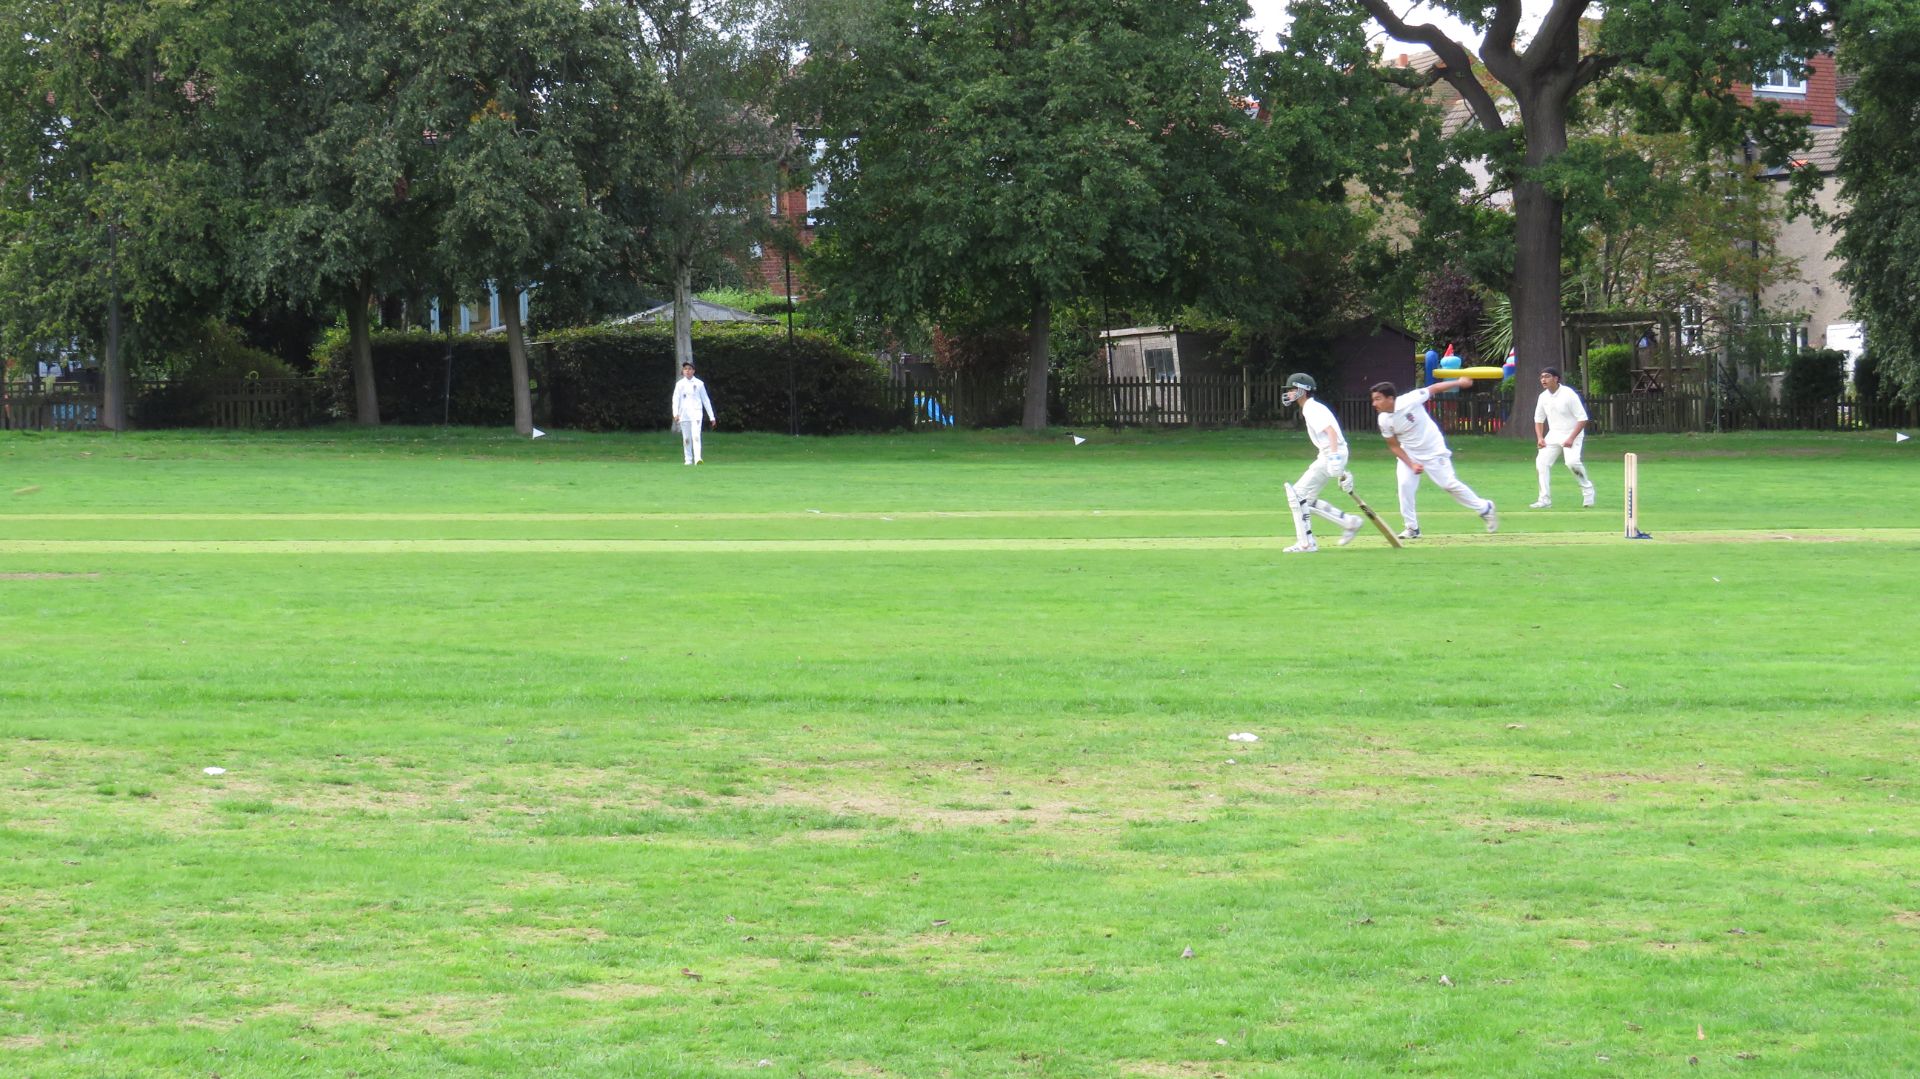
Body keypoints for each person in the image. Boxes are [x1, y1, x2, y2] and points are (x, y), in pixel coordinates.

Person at [1370, 377, 1498, 539]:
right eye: (1373, 399)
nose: (1374, 403)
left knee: (1448, 484)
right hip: (1409, 453)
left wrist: (1458, 382)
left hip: (1433, 450)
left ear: (1390, 398)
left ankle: (1485, 508)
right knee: (1404, 486)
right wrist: (1411, 464)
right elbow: (1394, 446)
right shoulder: (1383, 419)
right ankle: (1412, 528)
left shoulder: (1410, 399)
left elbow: (1435, 388)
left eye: (1378, 399)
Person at [1277, 373, 1364, 553]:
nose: (1289, 393)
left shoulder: (1312, 408)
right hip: (1330, 453)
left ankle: (1306, 543)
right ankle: (1349, 522)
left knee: (1297, 494)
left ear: (1303, 390)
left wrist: (1334, 458)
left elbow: (1331, 432)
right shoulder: (1311, 407)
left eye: (1292, 389)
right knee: (1306, 501)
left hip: (1331, 453)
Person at [1531, 366, 1595, 508]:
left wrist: (1571, 438)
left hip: (1572, 433)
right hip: (1554, 434)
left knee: (1572, 462)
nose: (1543, 380)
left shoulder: (1568, 394)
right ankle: (1544, 500)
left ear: (1556, 379)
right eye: (1542, 377)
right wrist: (1540, 438)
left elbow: (1582, 419)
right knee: (1541, 462)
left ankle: (1588, 490)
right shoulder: (1543, 397)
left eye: (1547, 376)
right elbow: (1539, 419)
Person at [670, 360, 716, 465]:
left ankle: (698, 458)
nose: (687, 371)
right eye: (685, 369)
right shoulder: (679, 384)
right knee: (686, 438)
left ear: (693, 371)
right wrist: (675, 413)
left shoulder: (699, 384)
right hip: (684, 414)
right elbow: (675, 399)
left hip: (696, 413)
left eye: (690, 369)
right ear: (683, 371)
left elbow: (705, 400)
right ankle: (688, 459)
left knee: (696, 436)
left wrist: (712, 417)